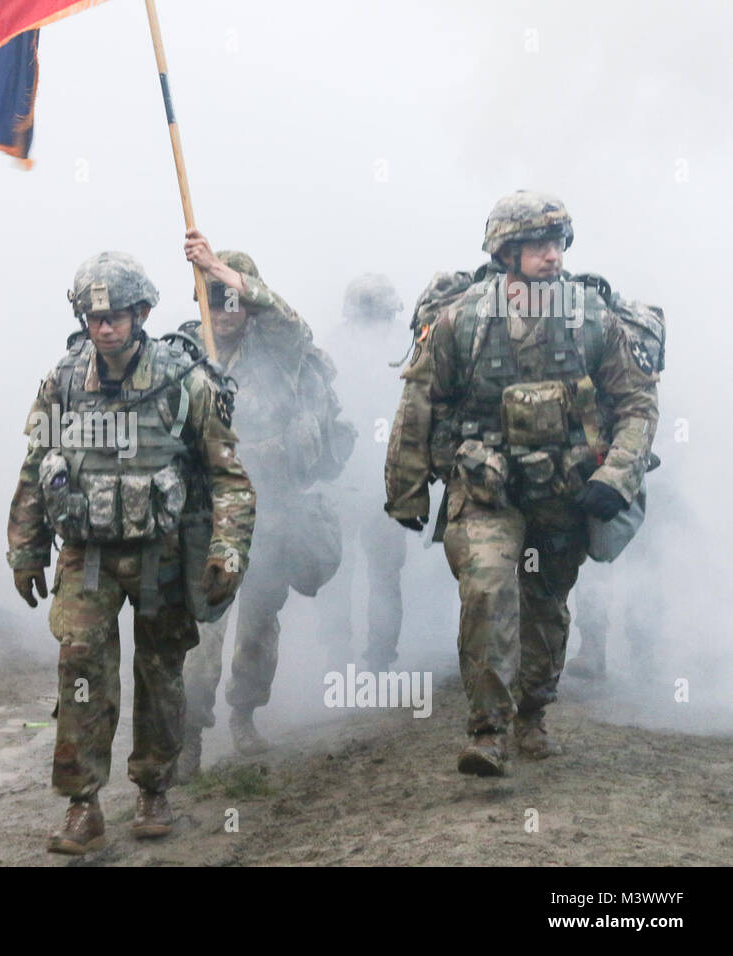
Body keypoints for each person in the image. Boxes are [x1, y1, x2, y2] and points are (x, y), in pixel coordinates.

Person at [384, 191, 660, 776]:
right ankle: (487, 731)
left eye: (558, 243)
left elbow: (636, 401)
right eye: (536, 244)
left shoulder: (593, 320)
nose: (551, 255)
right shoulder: (463, 321)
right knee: (487, 589)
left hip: (565, 492)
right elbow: (419, 401)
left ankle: (531, 712)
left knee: (545, 603)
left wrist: (618, 475)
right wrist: (407, 488)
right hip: (486, 489)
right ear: (506, 251)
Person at [7, 250, 256, 854]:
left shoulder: (184, 382)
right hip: (86, 557)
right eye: (94, 318)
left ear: (141, 313)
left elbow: (228, 478)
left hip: (162, 556)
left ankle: (154, 789)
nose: (105, 327)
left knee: (160, 673)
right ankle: (83, 805)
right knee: (81, 674)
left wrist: (226, 549)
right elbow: (38, 467)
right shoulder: (63, 381)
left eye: (116, 316)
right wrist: (26, 547)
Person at [177, 230, 348, 779]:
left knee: (257, 624)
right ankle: (188, 738)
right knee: (204, 631)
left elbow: (292, 324)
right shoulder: (184, 350)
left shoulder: (279, 351)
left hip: (269, 508)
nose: (224, 311)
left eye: (233, 299)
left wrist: (227, 275)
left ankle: (245, 713)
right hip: (208, 513)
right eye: (213, 298)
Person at [318, 274, 409, 672]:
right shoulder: (330, 355)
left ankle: (376, 659)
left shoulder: (404, 351)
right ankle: (342, 658)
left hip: (383, 479)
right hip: (345, 477)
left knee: (383, 572)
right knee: (340, 571)